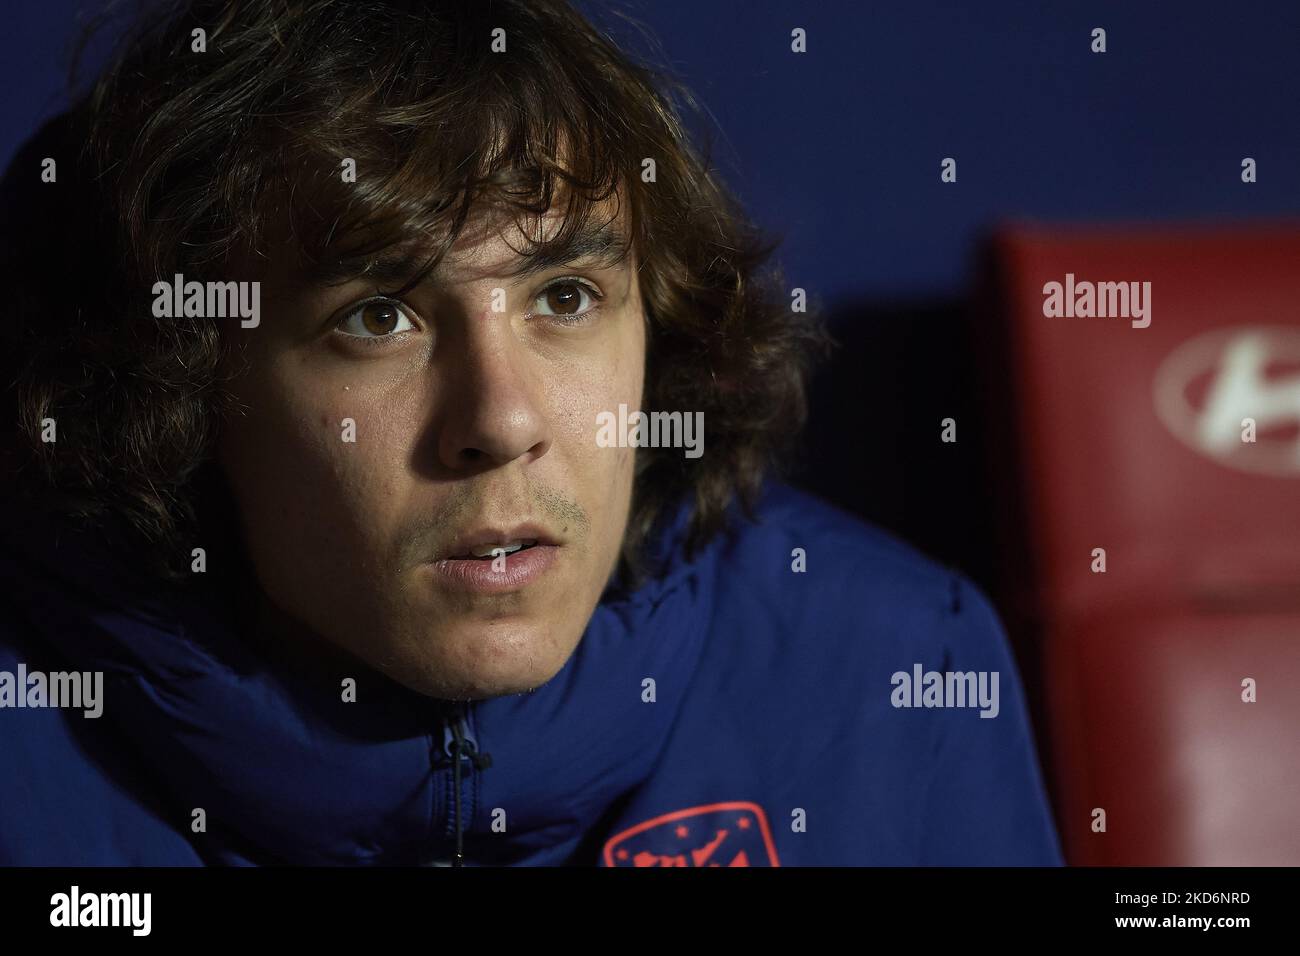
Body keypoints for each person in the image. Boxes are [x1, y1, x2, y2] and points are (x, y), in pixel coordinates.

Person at [0, 0, 1062, 866]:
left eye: (562, 295)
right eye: (379, 317)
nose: (502, 421)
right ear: (178, 395)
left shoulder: (893, 661)